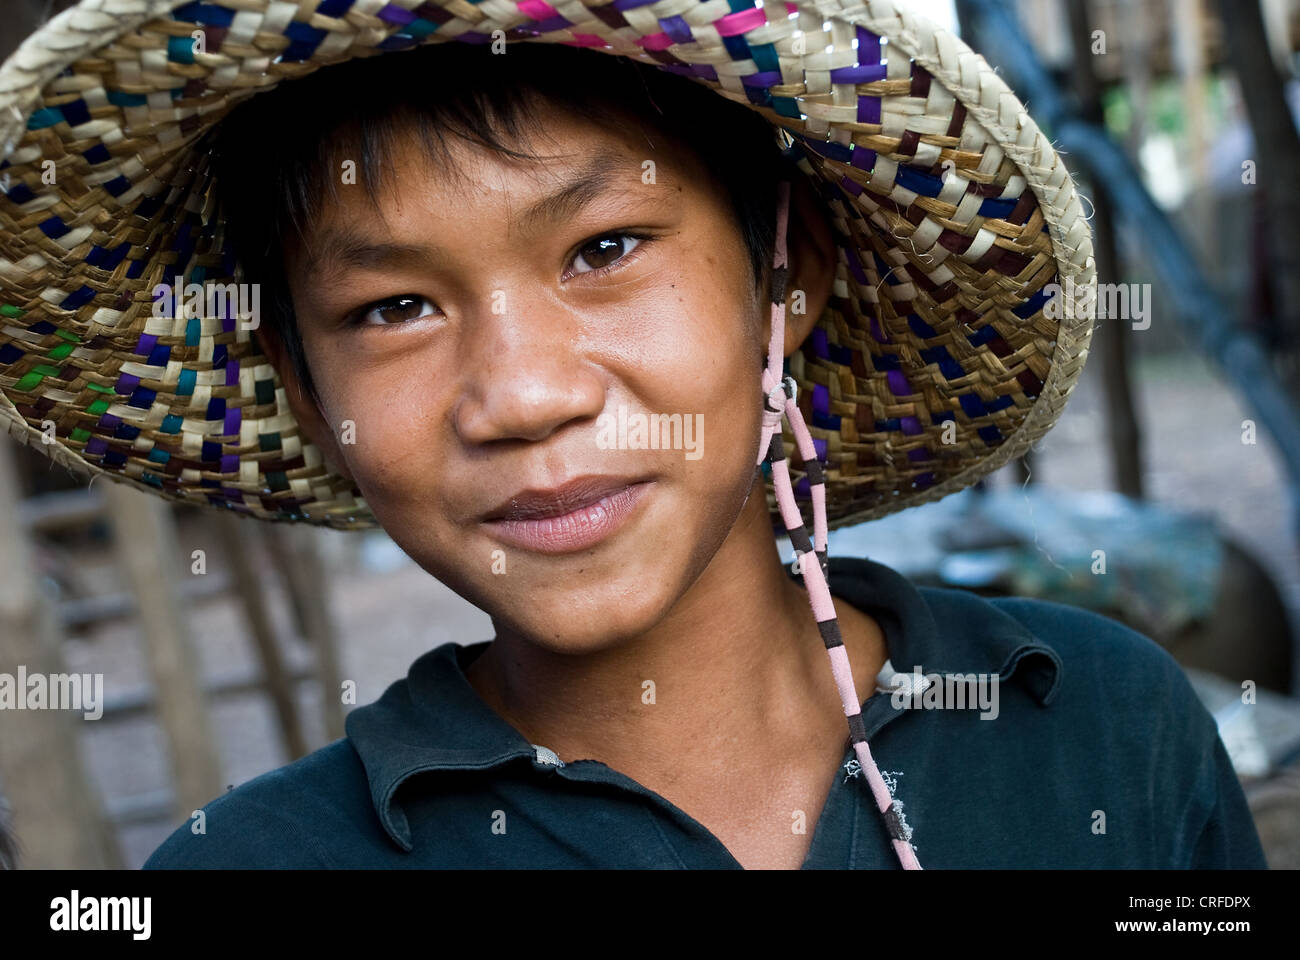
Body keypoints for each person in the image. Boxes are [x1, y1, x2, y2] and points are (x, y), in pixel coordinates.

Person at [0, 0, 1265, 869]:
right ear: (304, 383)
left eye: (603, 249)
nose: (521, 395)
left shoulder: (1099, 726)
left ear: (787, 277)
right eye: (393, 308)